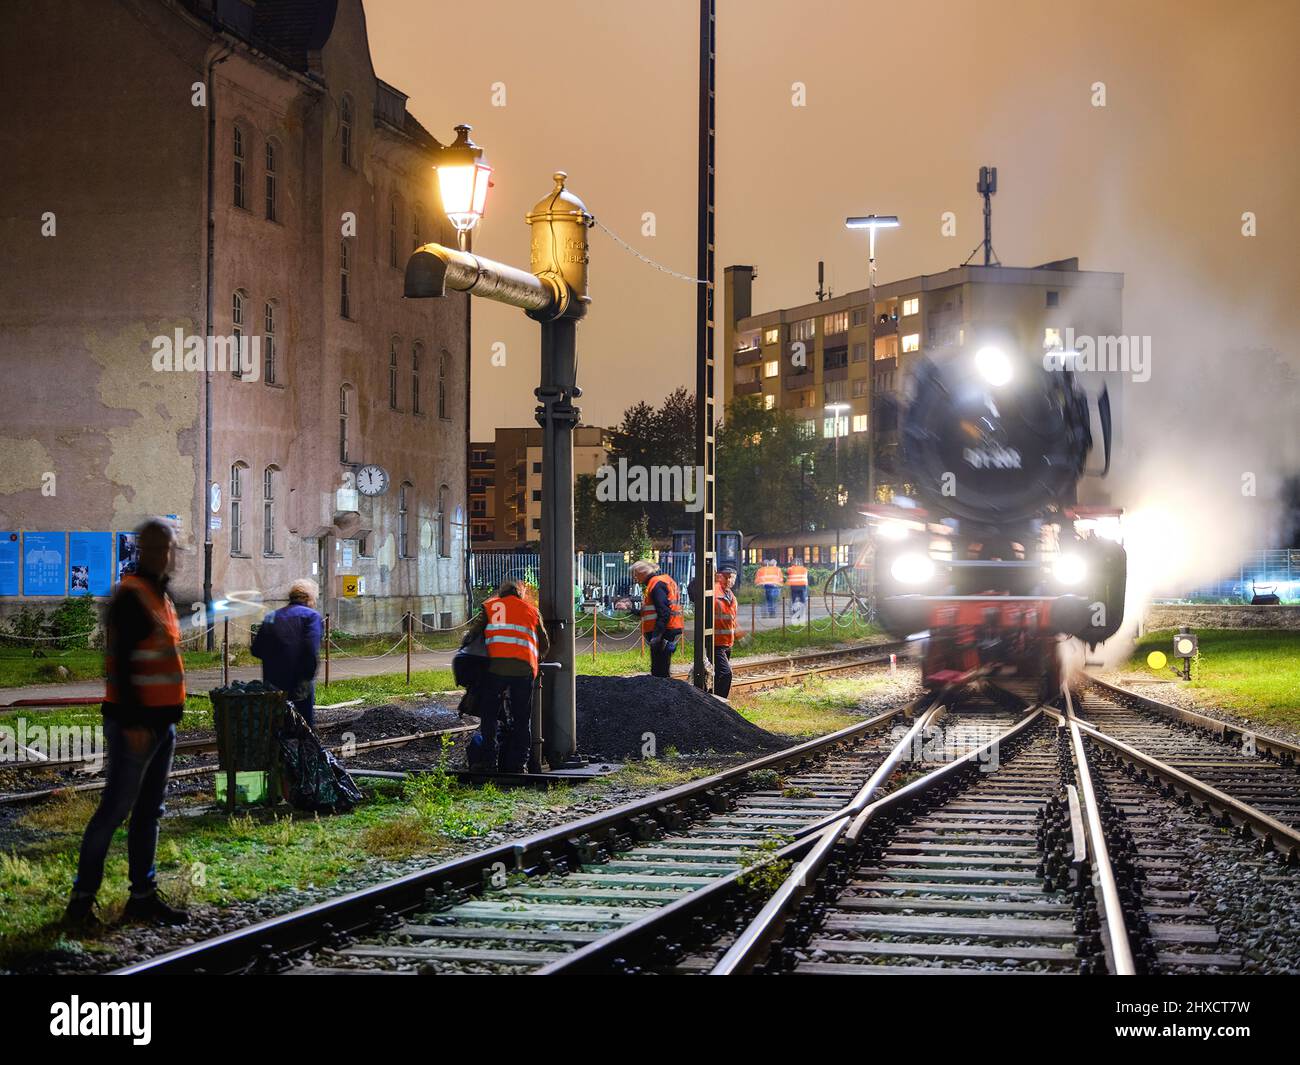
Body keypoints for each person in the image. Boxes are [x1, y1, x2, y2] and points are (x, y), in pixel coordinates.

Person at [66, 518, 189, 929]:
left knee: (148, 812)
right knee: (114, 810)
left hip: (161, 724)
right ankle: (81, 902)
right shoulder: (131, 595)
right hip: (135, 726)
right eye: (162, 547)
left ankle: (142, 896)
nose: (168, 555)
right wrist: (136, 724)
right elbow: (120, 666)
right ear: (146, 550)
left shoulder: (159, 594)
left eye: (171, 548)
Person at [462, 579, 549, 773]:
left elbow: (472, 636)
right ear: (519, 594)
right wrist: (534, 660)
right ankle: (520, 764)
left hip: (494, 670)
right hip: (523, 669)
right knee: (521, 718)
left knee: (489, 717)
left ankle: (489, 761)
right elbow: (544, 644)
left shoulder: (490, 607)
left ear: (500, 594)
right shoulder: (531, 610)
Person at [251, 578, 323, 728]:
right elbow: (311, 648)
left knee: (277, 727)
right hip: (300, 681)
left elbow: (256, 649)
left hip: (273, 683)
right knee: (303, 728)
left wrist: (275, 661)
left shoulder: (271, 616)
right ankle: (303, 751)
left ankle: (278, 751)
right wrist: (308, 675)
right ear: (309, 599)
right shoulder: (311, 616)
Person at [632, 560, 683, 678]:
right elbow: (654, 610)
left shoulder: (656, 584)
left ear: (643, 572)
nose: (635, 577)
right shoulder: (661, 581)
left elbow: (664, 611)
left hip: (664, 631)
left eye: (636, 573)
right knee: (662, 667)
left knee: (659, 670)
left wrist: (657, 635)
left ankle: (664, 694)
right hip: (670, 628)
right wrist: (633, 610)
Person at [713, 567, 741, 699]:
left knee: (719, 675)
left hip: (727, 642)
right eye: (727, 577)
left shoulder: (731, 596)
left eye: (732, 577)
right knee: (725, 673)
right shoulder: (714, 593)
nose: (729, 580)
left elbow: (731, 619)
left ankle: (714, 700)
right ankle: (720, 702)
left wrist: (739, 633)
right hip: (715, 643)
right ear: (720, 577)